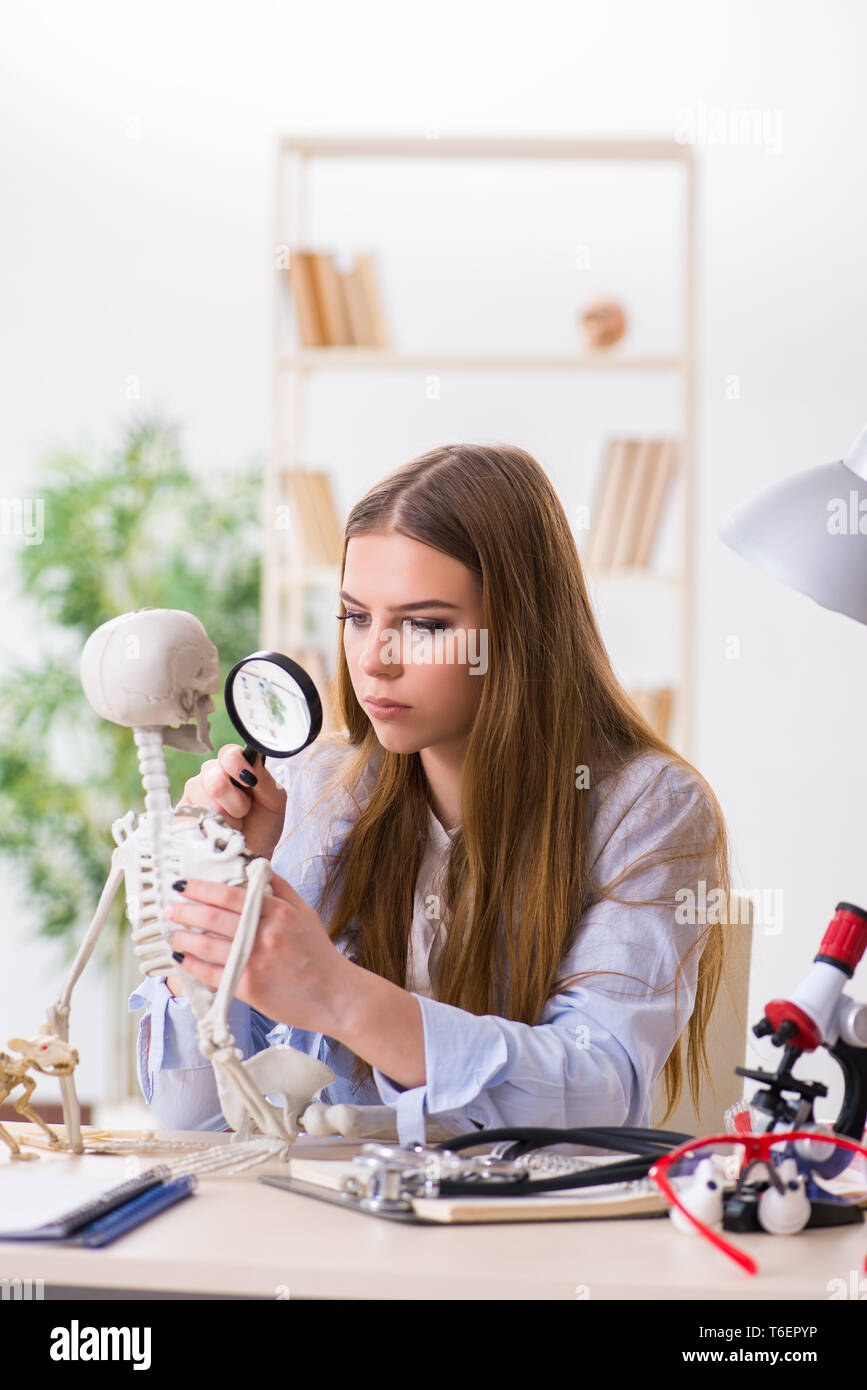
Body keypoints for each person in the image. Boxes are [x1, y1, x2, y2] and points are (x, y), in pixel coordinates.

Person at [129, 442, 732, 1147]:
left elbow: (594, 1093)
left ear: (518, 630)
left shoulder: (649, 807)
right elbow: (191, 1110)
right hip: (322, 1231)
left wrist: (341, 998)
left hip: (528, 1243)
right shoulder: (311, 791)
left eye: (424, 624)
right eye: (356, 617)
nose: (375, 660)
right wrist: (216, 895)